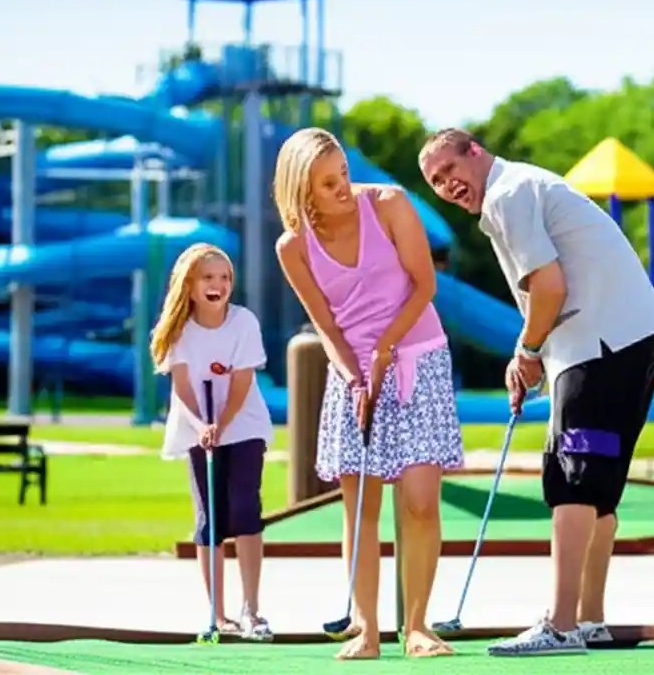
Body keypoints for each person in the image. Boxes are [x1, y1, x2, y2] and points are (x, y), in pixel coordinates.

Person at [418, 128, 654, 656]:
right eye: (436, 182)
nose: (448, 185)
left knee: (572, 480)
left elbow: (550, 286)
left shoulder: (509, 194)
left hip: (598, 343)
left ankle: (560, 624)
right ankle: (589, 620)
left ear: (476, 151)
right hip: (631, 338)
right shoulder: (519, 188)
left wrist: (529, 351)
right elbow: (546, 288)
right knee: (598, 487)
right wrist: (531, 349)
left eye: (451, 169)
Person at [272, 127, 464, 660]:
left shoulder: (389, 205)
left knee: (422, 502)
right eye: (327, 183)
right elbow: (326, 327)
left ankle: (419, 627)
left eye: (343, 175)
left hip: (417, 358)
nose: (343, 189)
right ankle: (369, 630)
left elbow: (425, 286)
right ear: (302, 192)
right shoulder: (294, 248)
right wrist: (356, 377)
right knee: (361, 510)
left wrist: (383, 351)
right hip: (351, 372)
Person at [151, 243, 274, 642]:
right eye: (208, 277)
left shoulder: (243, 323)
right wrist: (202, 424)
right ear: (189, 285)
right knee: (210, 518)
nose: (218, 285)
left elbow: (241, 383)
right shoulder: (179, 330)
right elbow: (182, 387)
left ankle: (251, 609)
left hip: (243, 425)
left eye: (225, 278)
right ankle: (216, 613)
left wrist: (220, 423)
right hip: (196, 425)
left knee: (245, 507)